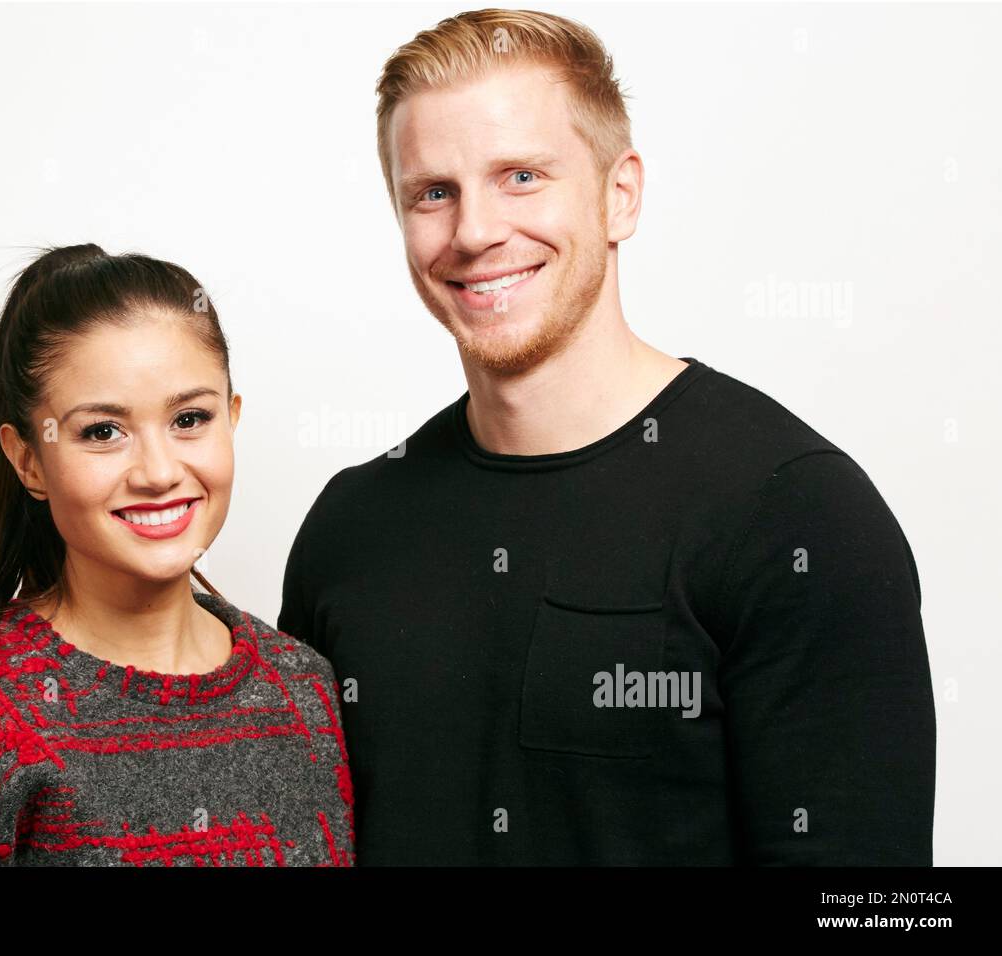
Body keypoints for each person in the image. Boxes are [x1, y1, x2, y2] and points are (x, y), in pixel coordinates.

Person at [276, 8, 935, 864]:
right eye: (433, 192)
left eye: (520, 176)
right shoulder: (349, 528)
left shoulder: (796, 513)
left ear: (620, 194)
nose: (474, 232)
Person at [0, 245, 354, 867]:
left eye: (190, 418)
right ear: (28, 458)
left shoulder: (303, 688)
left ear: (232, 418)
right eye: (102, 432)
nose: (159, 472)